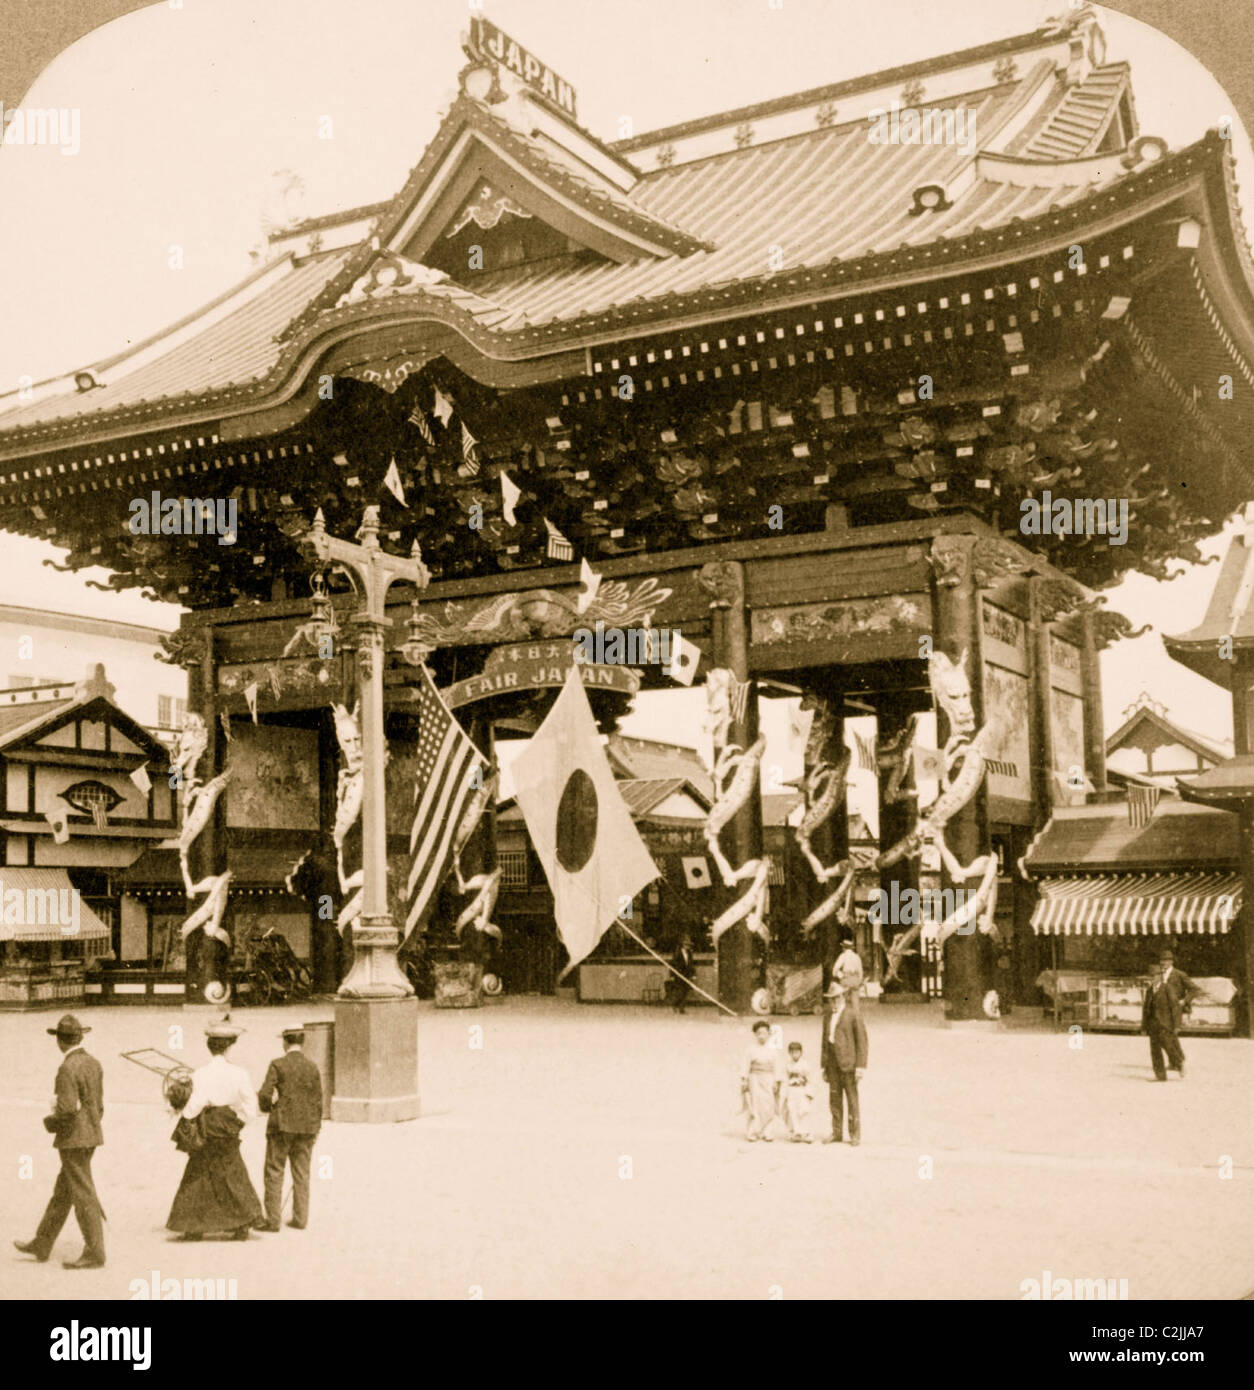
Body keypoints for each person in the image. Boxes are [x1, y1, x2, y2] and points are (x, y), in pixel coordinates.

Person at [14, 1014, 105, 1269]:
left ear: (60, 1042)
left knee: (83, 1195)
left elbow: (66, 1110)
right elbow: (99, 1106)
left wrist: (49, 1122)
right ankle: (42, 1242)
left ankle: (95, 1252)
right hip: (91, 1135)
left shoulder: (67, 1068)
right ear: (80, 1037)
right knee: (63, 1193)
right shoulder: (93, 1063)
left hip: (73, 1139)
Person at [166, 1019, 264, 1241]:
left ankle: (193, 1227)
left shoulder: (200, 1074)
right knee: (233, 1172)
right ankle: (241, 1224)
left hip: (207, 1124)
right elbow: (251, 1107)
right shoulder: (239, 1073)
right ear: (229, 1046)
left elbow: (196, 1103)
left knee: (199, 1172)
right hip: (227, 1124)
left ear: (210, 1047)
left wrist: (185, 1118)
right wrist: (239, 1120)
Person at [256, 1027, 323, 1232]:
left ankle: (273, 1221)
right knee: (302, 1173)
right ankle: (300, 1219)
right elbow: (318, 1100)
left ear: (285, 1042)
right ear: (302, 1042)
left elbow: (265, 1094)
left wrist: (269, 1109)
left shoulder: (277, 1064)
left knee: (274, 1171)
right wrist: (316, 1127)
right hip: (307, 1127)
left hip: (281, 1126)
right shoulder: (312, 1067)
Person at [1142, 949, 1199, 1082]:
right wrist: (1144, 1025)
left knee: (1170, 1042)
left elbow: (1194, 989)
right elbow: (1146, 1008)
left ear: (1172, 961)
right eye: (1162, 961)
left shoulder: (1179, 975)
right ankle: (1165, 1072)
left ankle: (1179, 1062)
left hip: (1170, 1014)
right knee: (1160, 1046)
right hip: (1155, 1020)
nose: (1164, 963)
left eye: (1167, 960)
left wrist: (1184, 1001)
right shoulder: (1151, 988)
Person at [822, 979, 868, 1145]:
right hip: (832, 1063)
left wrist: (861, 1066)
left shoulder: (852, 1013)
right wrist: (824, 1065)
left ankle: (855, 1134)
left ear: (842, 997)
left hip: (849, 1063)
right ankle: (836, 1132)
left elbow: (862, 1041)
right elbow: (824, 1041)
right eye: (830, 999)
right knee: (834, 1098)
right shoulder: (828, 1015)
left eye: (836, 998)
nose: (833, 1002)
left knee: (852, 1099)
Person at [740, 1019, 781, 1141]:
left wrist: (776, 1082)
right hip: (755, 1079)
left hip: (768, 1079)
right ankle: (753, 1132)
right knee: (755, 1104)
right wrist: (744, 1080)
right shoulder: (750, 1049)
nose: (762, 1036)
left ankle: (767, 1132)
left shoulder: (773, 1050)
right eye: (759, 1033)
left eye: (764, 1033)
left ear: (769, 1034)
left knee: (769, 1105)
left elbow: (777, 1066)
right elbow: (745, 1065)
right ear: (755, 1035)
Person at [781, 1040, 814, 1143]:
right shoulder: (787, 1065)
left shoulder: (805, 1064)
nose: (795, 1054)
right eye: (792, 1052)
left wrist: (809, 1093)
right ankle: (796, 1133)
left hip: (801, 1090)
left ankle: (806, 1133)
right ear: (789, 1053)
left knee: (803, 1111)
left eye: (797, 1052)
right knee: (792, 1111)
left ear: (801, 1052)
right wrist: (785, 1093)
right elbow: (785, 1079)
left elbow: (809, 1079)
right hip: (792, 1090)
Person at [666, 934, 697, 1013]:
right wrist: (672, 975)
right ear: (683, 945)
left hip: (686, 975)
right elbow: (672, 965)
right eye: (686, 945)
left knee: (685, 992)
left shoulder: (689, 953)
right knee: (680, 991)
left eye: (689, 945)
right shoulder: (677, 953)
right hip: (678, 975)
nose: (688, 947)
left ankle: (681, 1008)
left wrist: (693, 974)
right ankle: (675, 1005)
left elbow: (691, 964)